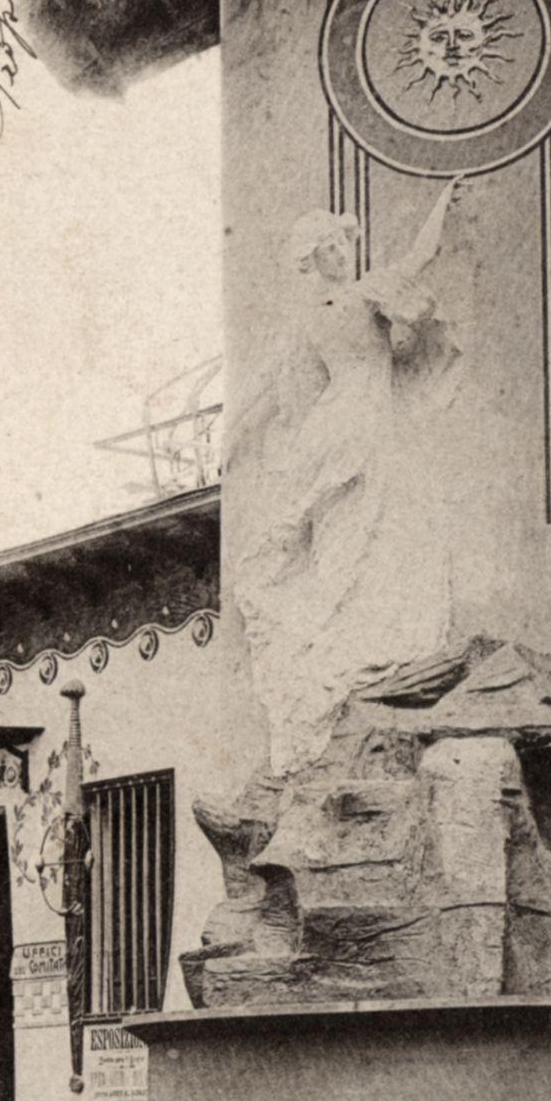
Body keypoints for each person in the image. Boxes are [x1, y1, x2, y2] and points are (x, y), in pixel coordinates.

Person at [224, 175, 469, 774]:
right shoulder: (351, 300)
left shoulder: (324, 309)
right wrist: (443, 202)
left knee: (360, 532)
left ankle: (351, 650)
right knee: (359, 529)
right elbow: (421, 255)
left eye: (342, 241)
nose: (342, 251)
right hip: (356, 425)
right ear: (315, 259)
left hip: (339, 426)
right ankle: (355, 649)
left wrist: (231, 433)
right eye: (330, 246)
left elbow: (265, 385)